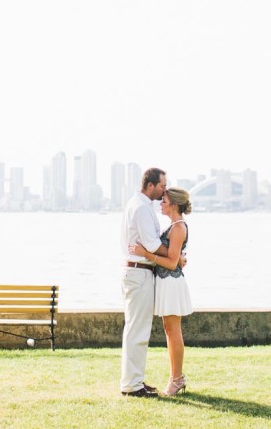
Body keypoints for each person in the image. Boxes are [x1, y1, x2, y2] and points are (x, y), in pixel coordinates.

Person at [130, 187, 192, 397]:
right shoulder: (174, 226)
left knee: (173, 331)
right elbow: (176, 258)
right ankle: (176, 377)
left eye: (164, 201)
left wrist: (145, 253)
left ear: (174, 204)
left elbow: (172, 262)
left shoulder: (178, 228)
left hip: (172, 284)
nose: (161, 203)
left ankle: (177, 379)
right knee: (169, 330)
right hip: (166, 283)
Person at [119, 167, 168, 397]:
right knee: (137, 330)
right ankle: (132, 385)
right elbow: (151, 244)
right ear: (150, 185)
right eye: (162, 186)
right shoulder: (140, 208)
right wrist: (175, 256)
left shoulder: (139, 205)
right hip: (139, 273)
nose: (164, 190)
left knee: (137, 329)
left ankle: (135, 381)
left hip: (138, 273)